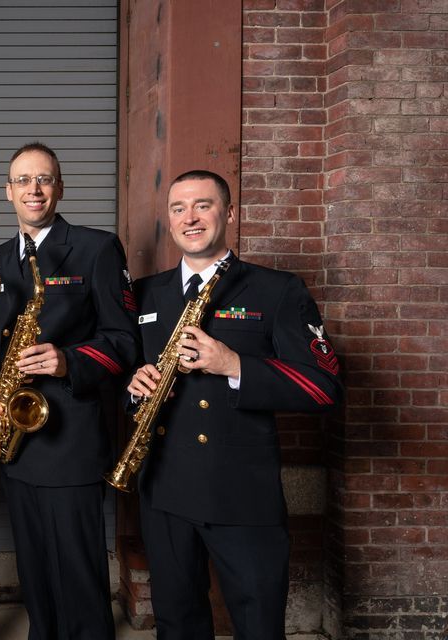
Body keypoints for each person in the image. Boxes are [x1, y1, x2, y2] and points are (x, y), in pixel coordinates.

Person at [126, 170, 343, 639]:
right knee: (177, 623)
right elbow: (127, 378)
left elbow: (325, 386)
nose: (190, 217)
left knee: (258, 623)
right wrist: (133, 385)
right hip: (165, 488)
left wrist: (233, 364)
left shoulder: (277, 290)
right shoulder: (145, 293)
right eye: (179, 208)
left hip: (242, 491)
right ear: (169, 220)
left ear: (229, 213)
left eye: (203, 205)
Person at [0, 142, 140, 639]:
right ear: (8, 192)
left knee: (79, 573)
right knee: (36, 572)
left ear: (60, 188)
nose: (34, 189)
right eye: (23, 180)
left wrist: (69, 360)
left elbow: (124, 341)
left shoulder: (97, 247)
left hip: (71, 438)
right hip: (16, 439)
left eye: (43, 179)